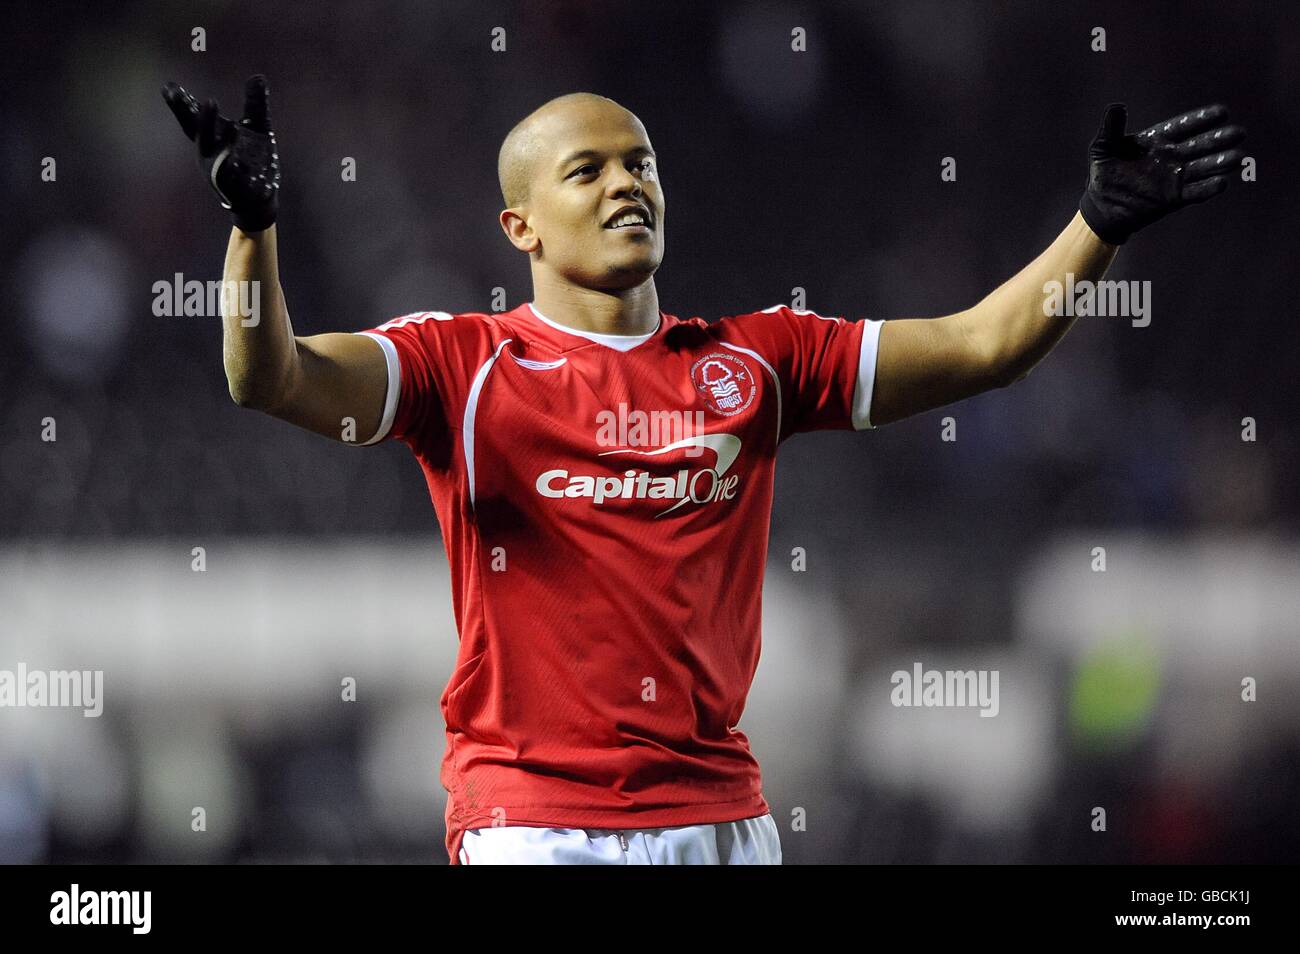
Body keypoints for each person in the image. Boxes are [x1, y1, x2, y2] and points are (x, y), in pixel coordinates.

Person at [161, 76, 1245, 864]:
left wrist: (1094, 229)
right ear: (520, 225)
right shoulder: (463, 365)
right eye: (586, 170)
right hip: (533, 825)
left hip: (722, 817)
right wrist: (252, 233)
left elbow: (981, 345)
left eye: (639, 163)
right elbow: (273, 380)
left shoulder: (756, 360)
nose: (625, 184)